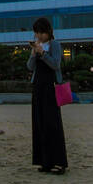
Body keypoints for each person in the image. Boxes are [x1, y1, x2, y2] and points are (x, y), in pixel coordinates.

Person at [28, 16, 68, 173]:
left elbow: (56, 64)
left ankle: (59, 162)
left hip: (51, 87)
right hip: (37, 86)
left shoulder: (54, 45)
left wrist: (43, 53)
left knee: (53, 123)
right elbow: (30, 67)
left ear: (48, 32)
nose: (39, 36)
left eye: (41, 32)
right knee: (39, 123)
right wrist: (33, 53)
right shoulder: (37, 45)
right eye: (37, 33)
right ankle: (44, 161)